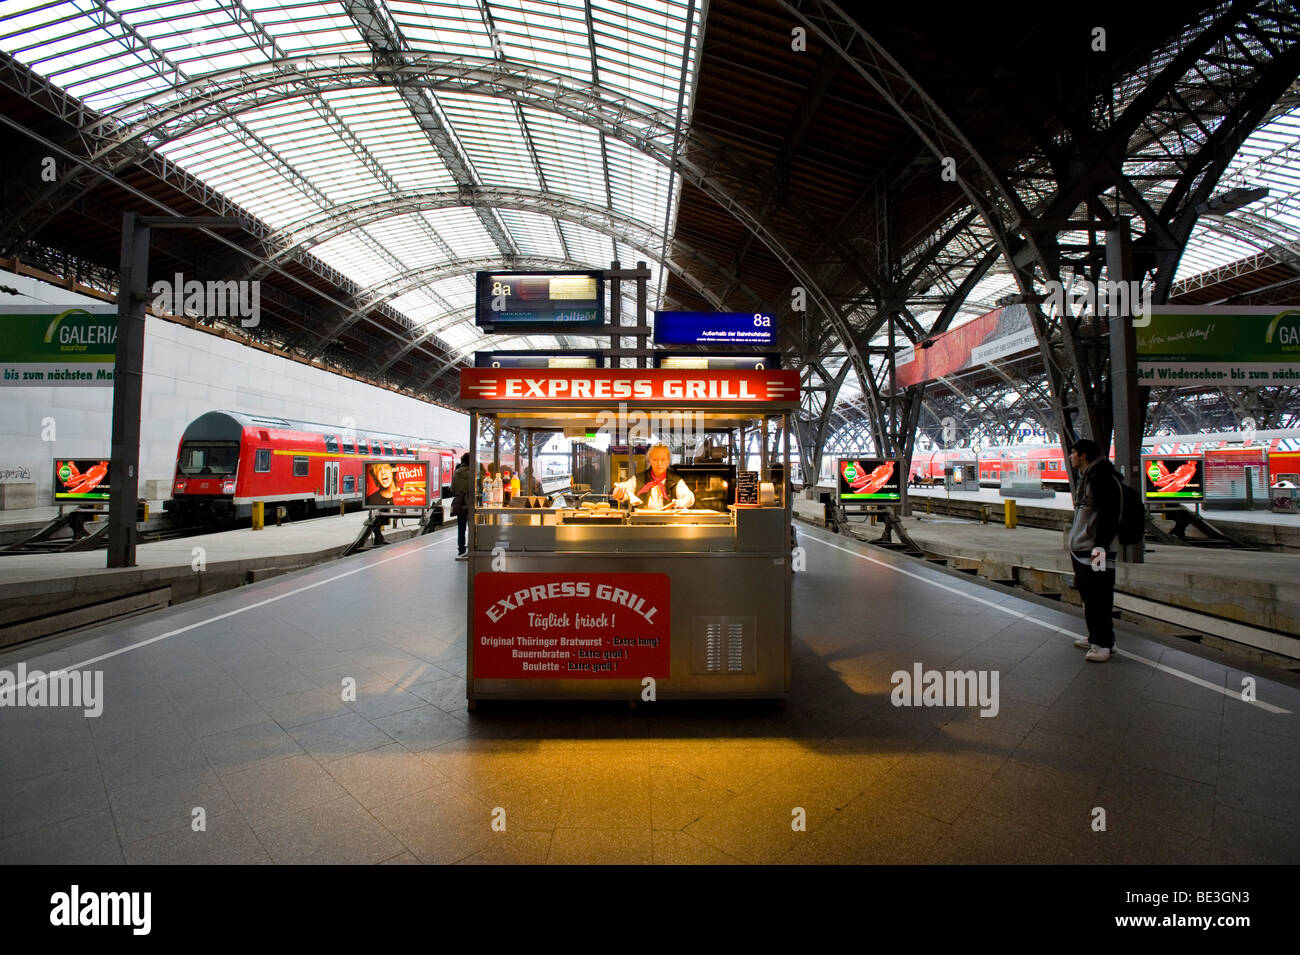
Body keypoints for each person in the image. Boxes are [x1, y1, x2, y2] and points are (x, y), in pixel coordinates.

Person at [1067, 438, 1120, 662]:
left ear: (1084, 455)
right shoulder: (1088, 477)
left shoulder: (1102, 479)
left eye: (1073, 453)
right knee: (1089, 595)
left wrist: (1100, 547)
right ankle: (1095, 637)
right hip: (1083, 550)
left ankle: (1103, 644)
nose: (1070, 457)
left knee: (1099, 596)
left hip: (1096, 551)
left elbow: (1109, 516)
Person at [611, 443, 696, 510]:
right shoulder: (639, 479)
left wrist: (683, 501)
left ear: (668, 461)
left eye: (663, 460)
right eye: (655, 459)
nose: (659, 463)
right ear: (649, 461)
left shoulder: (676, 481)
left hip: (668, 527)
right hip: (643, 526)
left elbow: (689, 496)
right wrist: (618, 491)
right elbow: (625, 488)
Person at [451, 452, 471, 560]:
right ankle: (471, 548)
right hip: (471, 502)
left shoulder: (457, 472)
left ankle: (461, 549)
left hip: (460, 503)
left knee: (461, 527)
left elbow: (452, 489)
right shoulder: (473, 472)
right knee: (472, 527)